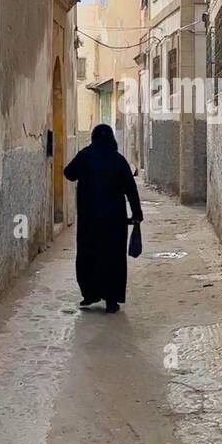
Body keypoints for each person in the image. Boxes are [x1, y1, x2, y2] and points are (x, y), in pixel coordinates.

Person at [64, 123, 143, 313]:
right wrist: (137, 214)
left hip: (89, 219)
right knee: (113, 258)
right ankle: (111, 300)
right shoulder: (118, 160)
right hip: (114, 220)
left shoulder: (85, 156)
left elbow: (69, 173)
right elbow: (131, 189)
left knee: (88, 255)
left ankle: (90, 294)